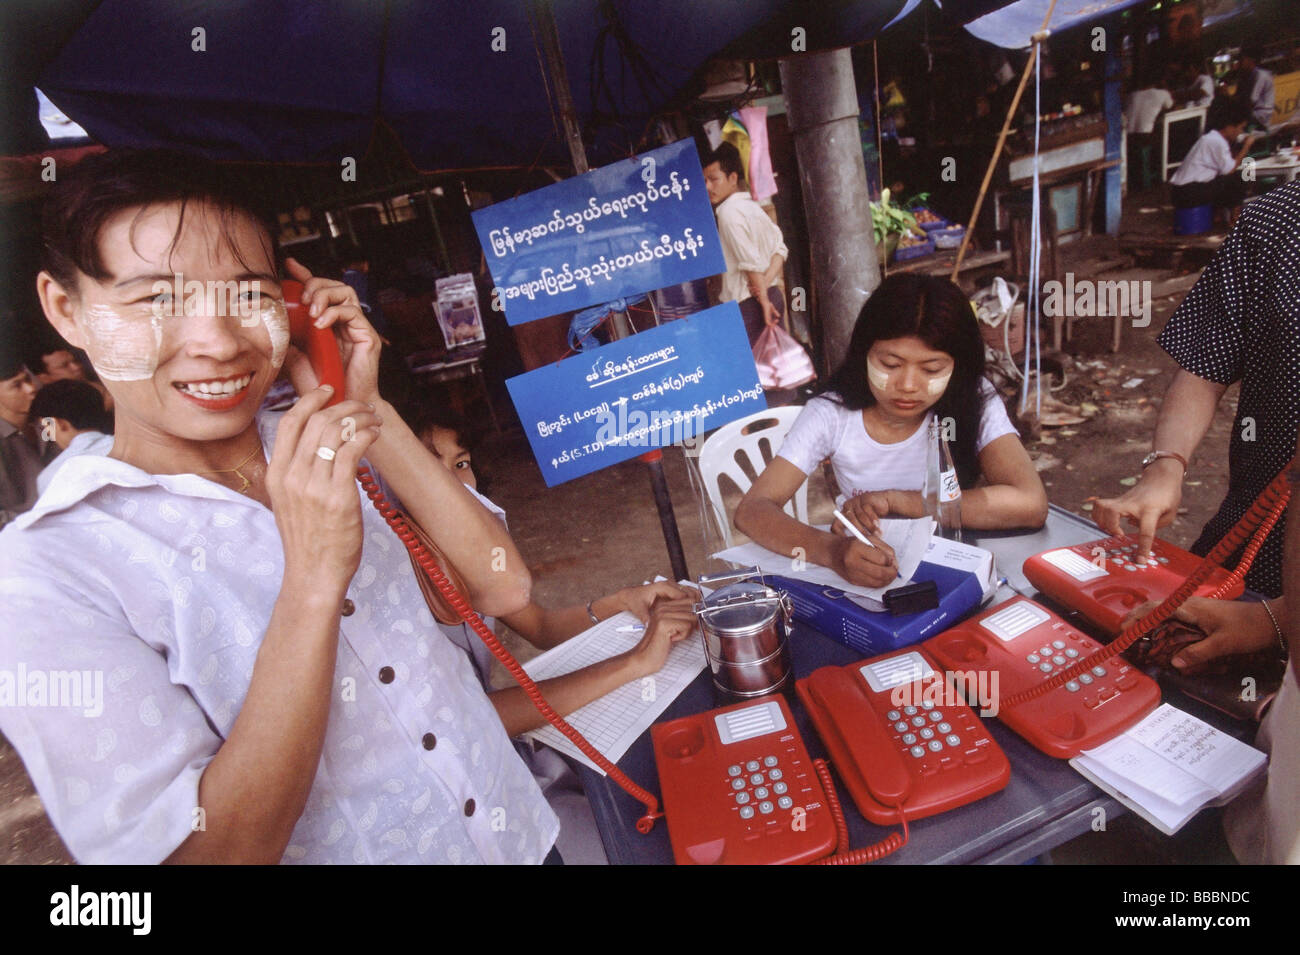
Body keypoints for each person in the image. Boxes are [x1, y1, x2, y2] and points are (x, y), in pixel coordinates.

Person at [0, 148, 561, 864]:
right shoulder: (46, 573)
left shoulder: (324, 433)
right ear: (66, 309)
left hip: (520, 836)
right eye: (156, 301)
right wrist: (313, 580)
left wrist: (370, 406)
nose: (217, 343)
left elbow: (502, 585)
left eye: (247, 296)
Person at [412, 407, 698, 863]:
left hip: (502, 761)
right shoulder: (386, 584)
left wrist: (622, 600)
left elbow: (541, 626)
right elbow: (468, 717)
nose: (455, 486)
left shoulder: (475, 559)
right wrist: (633, 663)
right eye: (426, 468)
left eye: (461, 464)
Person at [734, 274, 1048, 588]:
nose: (908, 386)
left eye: (932, 369)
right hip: (865, 567)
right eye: (890, 364)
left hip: (954, 564)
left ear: (957, 367)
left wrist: (896, 501)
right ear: (864, 354)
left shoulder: (975, 398)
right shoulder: (831, 414)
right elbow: (753, 510)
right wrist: (832, 552)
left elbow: (1030, 503)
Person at [1093, 180, 1300, 599]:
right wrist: (1165, 468)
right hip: (1255, 531)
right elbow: (1204, 368)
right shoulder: (1275, 221)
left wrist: (1269, 625)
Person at [702, 142, 788, 348]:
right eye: (704, 180)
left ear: (732, 178)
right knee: (777, 370)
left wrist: (763, 299)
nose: (708, 187)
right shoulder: (752, 208)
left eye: (714, 179)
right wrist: (766, 285)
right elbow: (781, 250)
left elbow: (749, 263)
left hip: (750, 306)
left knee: (758, 374)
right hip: (771, 295)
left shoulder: (728, 213)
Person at [1168, 97, 1259, 225]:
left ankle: (1218, 215)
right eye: (1240, 128)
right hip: (1187, 192)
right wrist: (1246, 146)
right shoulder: (1216, 141)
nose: (1240, 132)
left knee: (1225, 180)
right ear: (1229, 127)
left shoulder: (1212, 137)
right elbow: (1229, 169)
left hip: (1182, 191)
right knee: (1237, 180)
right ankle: (1235, 219)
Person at [29, 378, 114, 494]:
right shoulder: (131, 448)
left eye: (46, 427)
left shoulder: (51, 477)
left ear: (59, 424)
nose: (48, 434)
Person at [0, 354, 53, 528]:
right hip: (23, 535)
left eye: (27, 379)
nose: (31, 388)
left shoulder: (50, 423)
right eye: (17, 385)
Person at [28, 341, 114, 411]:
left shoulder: (94, 381)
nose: (77, 367)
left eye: (75, 361)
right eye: (64, 366)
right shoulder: (54, 405)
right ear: (45, 378)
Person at [1236, 44, 1275, 129]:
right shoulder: (1247, 75)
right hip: (1253, 113)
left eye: (1242, 60)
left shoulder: (1261, 75)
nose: (1239, 62)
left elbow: (1251, 99)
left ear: (1251, 60)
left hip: (1261, 115)